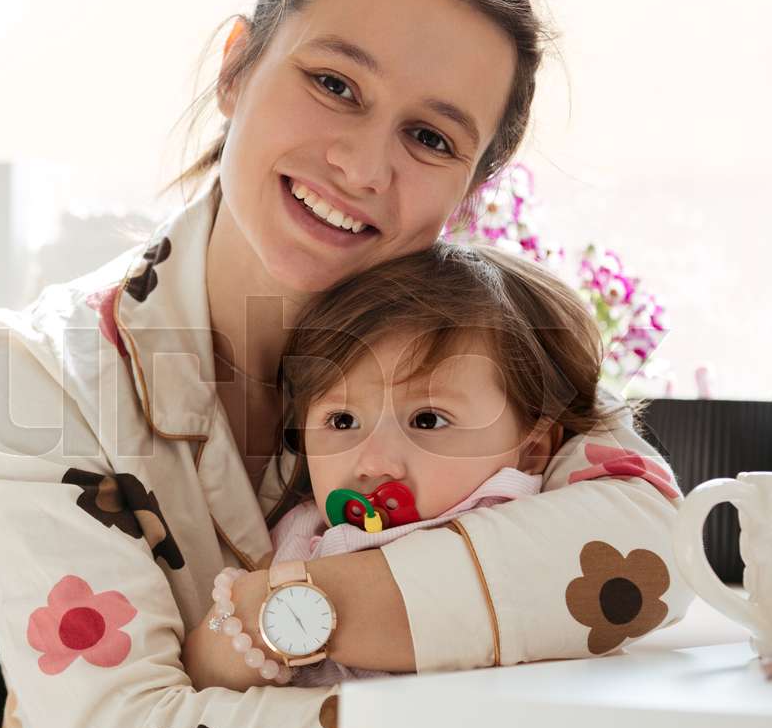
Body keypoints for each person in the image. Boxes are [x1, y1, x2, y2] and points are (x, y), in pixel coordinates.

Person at [0, 0, 692, 728]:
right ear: (235, 66)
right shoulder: (37, 375)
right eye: (335, 83)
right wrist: (507, 721)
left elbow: (646, 552)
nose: (361, 162)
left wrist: (302, 612)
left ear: (472, 183)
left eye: (431, 138)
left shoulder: (482, 338)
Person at [190, 240, 648, 697]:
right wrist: (237, 638)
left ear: (529, 451)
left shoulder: (528, 524)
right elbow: (210, 667)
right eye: (342, 421)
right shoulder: (298, 534)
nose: (373, 463)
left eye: (427, 420)